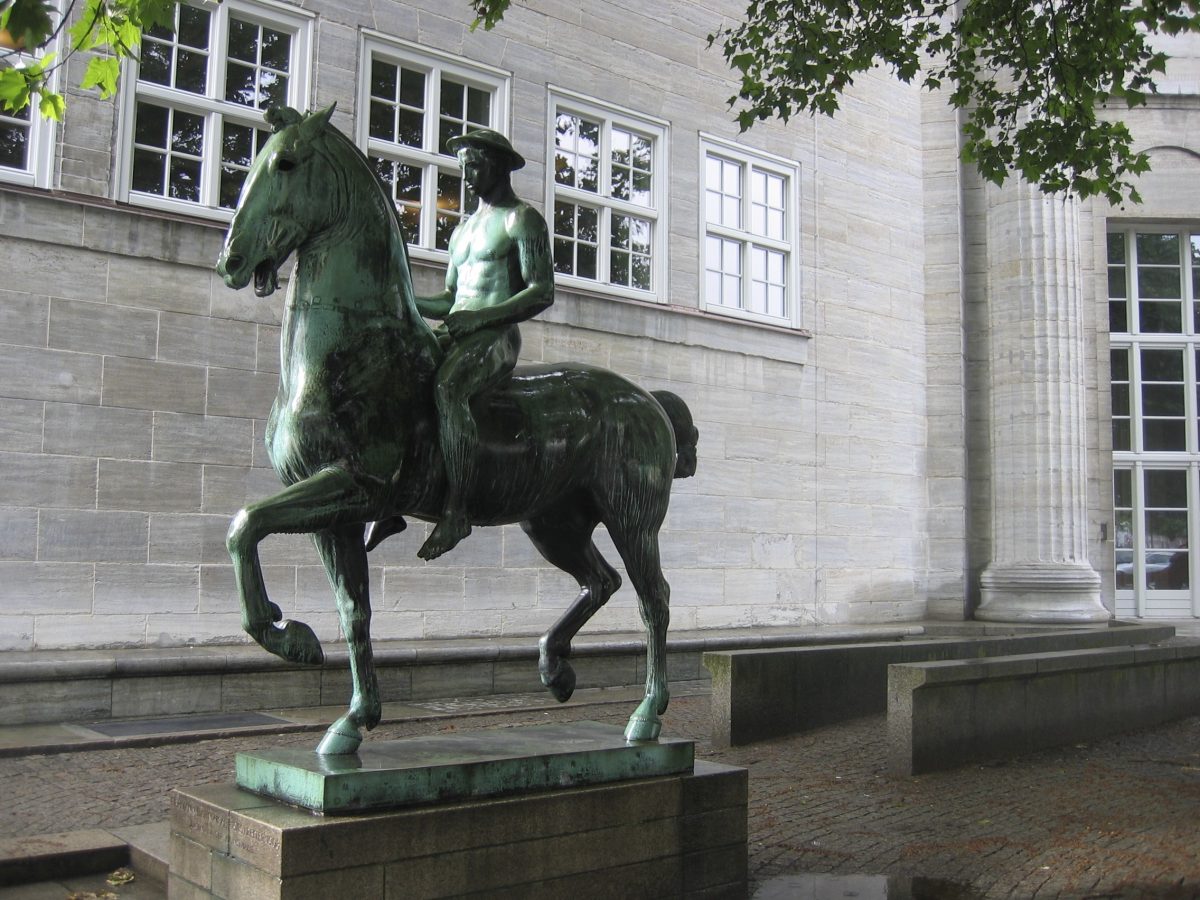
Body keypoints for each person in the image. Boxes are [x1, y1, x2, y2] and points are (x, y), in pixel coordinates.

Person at [369, 129, 554, 560]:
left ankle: (457, 511)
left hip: (496, 337)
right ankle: (389, 498)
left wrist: (481, 318)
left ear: (501, 165)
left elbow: (541, 291)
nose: (467, 174)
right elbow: (450, 300)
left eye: (475, 165)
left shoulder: (522, 220)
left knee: (448, 388)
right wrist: (404, 301)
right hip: (458, 330)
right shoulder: (464, 231)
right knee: (392, 371)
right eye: (463, 166)